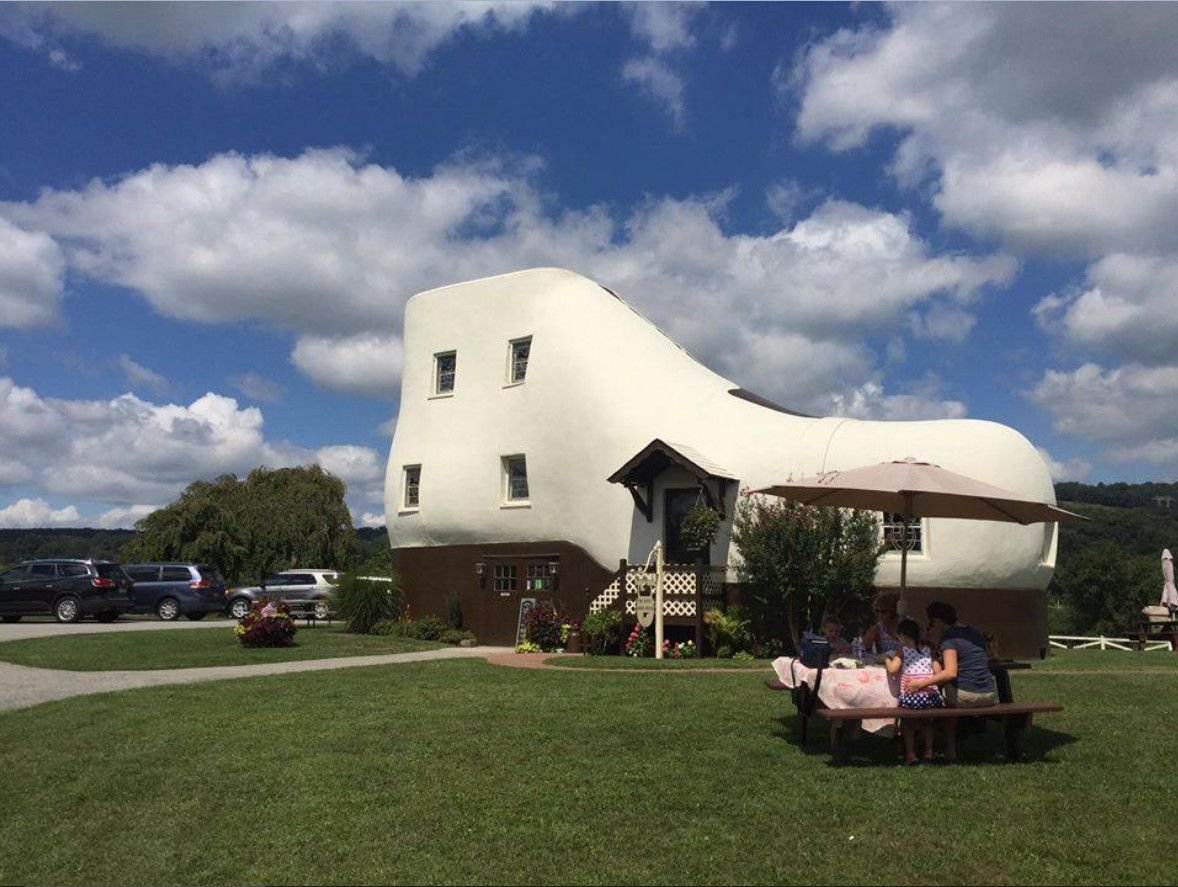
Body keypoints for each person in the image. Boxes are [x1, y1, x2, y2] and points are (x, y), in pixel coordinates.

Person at [904, 601, 998, 761]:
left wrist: (919, 684)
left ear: (938, 621)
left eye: (932, 623)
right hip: (990, 694)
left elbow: (950, 673)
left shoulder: (950, 638)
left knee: (935, 697)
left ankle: (948, 748)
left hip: (967, 695)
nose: (931, 627)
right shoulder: (974, 633)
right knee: (944, 690)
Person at [885, 618, 944, 764]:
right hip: (931, 698)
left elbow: (893, 670)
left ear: (903, 636)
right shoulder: (928, 650)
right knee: (927, 723)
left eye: (899, 637)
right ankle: (929, 752)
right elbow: (938, 671)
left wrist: (887, 658)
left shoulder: (902, 651)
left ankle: (911, 754)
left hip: (912, 698)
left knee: (907, 723)